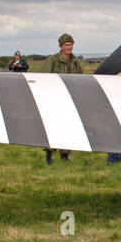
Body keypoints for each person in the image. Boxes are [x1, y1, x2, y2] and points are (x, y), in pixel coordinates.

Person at [41, 33, 82, 164]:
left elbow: (81, 79)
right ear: (61, 46)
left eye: (71, 44)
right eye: (66, 45)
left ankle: (65, 155)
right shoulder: (52, 60)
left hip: (70, 100)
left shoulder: (75, 62)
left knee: (68, 127)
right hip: (54, 100)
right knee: (52, 127)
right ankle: (49, 155)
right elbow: (43, 80)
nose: (69, 47)